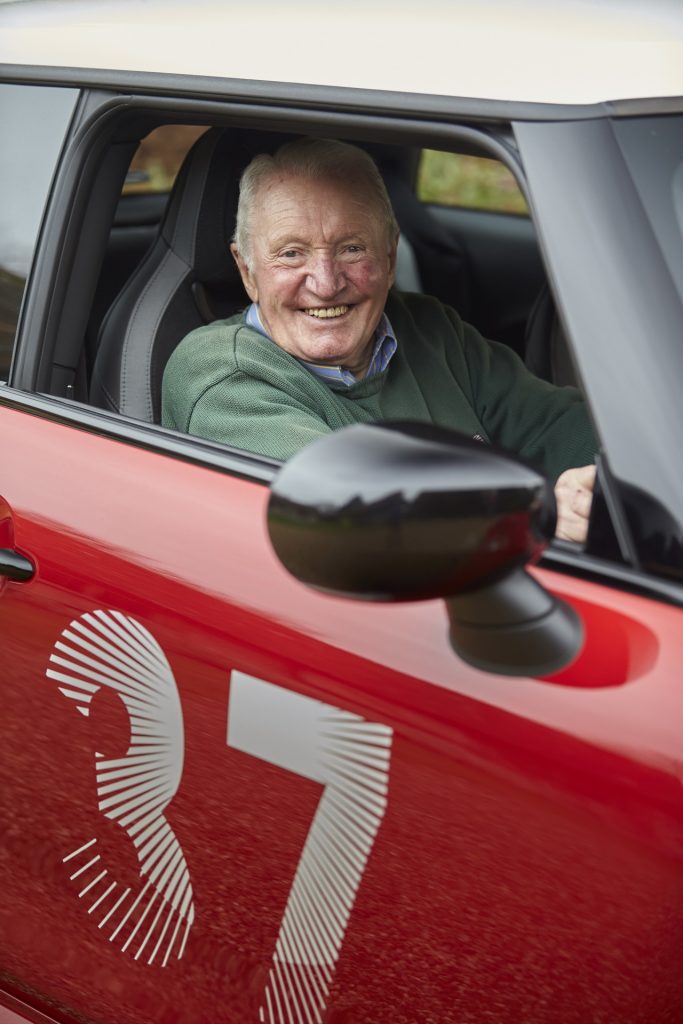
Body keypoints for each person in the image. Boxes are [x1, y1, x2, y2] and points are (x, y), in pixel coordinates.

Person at [162, 137, 597, 542]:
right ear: (247, 270)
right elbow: (357, 504)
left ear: (390, 257)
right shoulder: (219, 374)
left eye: (351, 248)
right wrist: (536, 512)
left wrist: (601, 482)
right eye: (291, 254)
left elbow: (556, 426)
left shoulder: (428, 327)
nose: (326, 284)